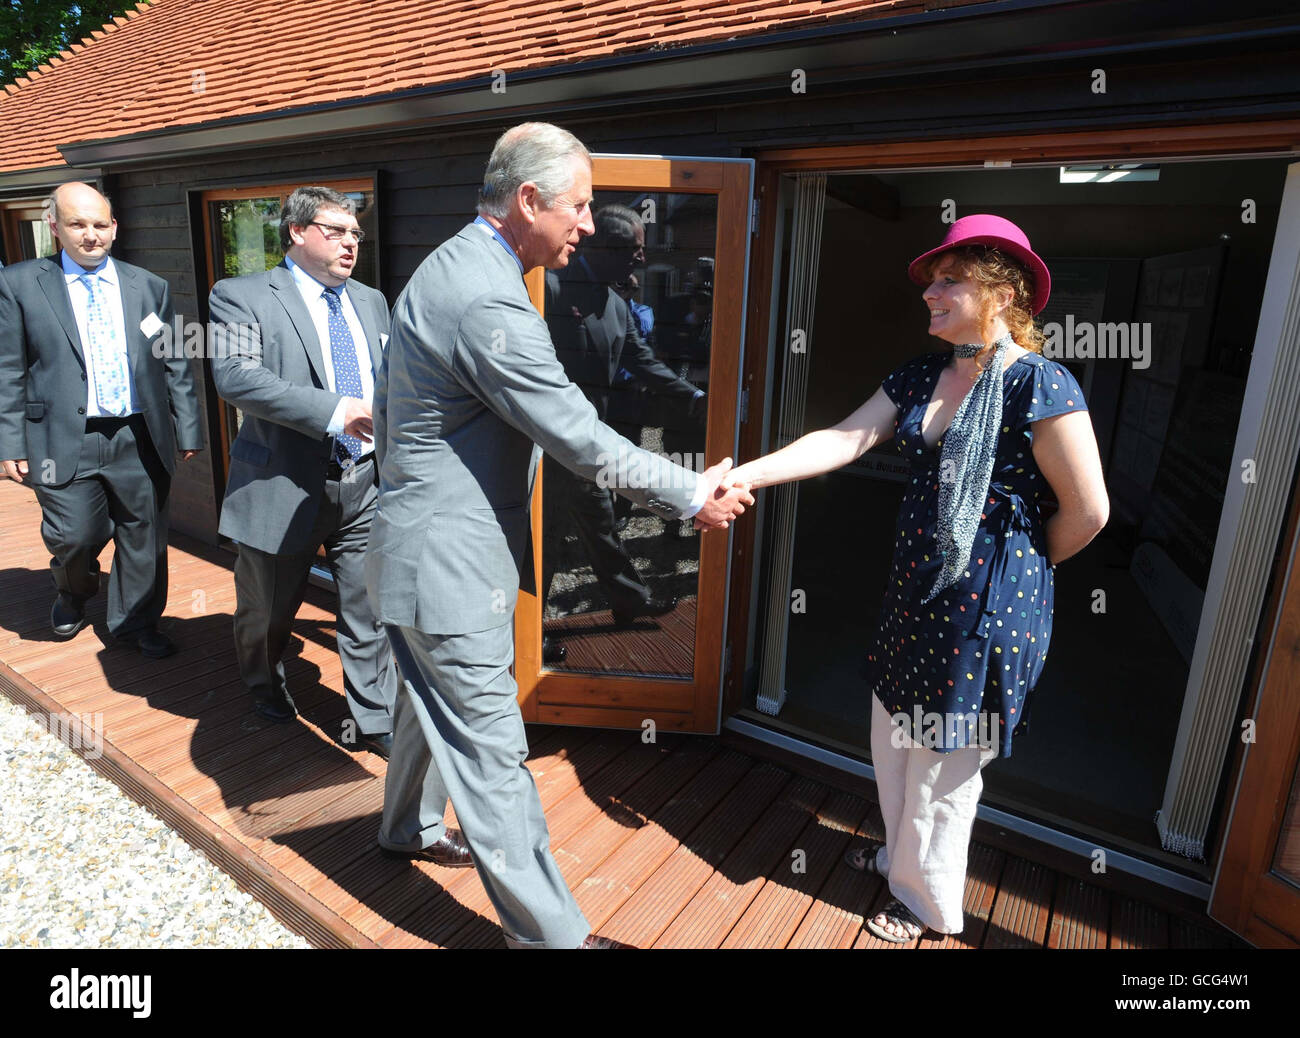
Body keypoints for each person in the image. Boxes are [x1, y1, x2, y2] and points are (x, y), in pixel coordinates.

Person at [366, 122, 752, 948]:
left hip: (418, 550)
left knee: (423, 704)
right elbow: (576, 435)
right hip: (448, 563)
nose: (586, 223)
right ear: (528, 199)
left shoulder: (452, 263)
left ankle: (405, 828)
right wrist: (691, 491)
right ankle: (552, 938)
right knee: (494, 755)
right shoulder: (486, 297)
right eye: (578, 206)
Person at [729, 214, 1109, 943]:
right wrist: (745, 475)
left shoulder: (1042, 385)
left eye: (949, 279)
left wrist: (1014, 573)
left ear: (1003, 291)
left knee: (944, 770)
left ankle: (925, 904)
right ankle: (906, 862)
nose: (929, 292)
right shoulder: (918, 374)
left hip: (987, 613)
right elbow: (843, 438)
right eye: (932, 280)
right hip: (915, 595)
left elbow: (1087, 512)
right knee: (894, 742)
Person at [209, 186, 397, 757]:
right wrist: (340, 411)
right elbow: (236, 377)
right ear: (296, 231)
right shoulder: (240, 295)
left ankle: (374, 717)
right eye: (336, 230)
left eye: (356, 234)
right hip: (281, 486)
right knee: (268, 608)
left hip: (363, 481)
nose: (350, 243)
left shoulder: (371, 300)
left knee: (369, 607)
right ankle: (263, 681)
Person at [0, 182, 204, 656]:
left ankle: (135, 623)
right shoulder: (19, 284)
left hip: (139, 433)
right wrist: (9, 442)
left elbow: (174, 357)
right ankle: (73, 592)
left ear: (114, 227)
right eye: (77, 224)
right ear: (55, 227)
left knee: (145, 534)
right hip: (58, 436)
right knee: (76, 534)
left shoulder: (147, 286)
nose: (90, 235)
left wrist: (187, 426)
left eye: (99, 224)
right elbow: (7, 368)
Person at [542, 203, 704, 630]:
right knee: (546, 538)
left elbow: (643, 359)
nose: (642, 259)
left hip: (591, 443)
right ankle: (524, 633)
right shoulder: (551, 289)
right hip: (548, 446)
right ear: (604, 248)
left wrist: (694, 396)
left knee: (600, 525)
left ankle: (629, 601)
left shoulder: (616, 304)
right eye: (634, 250)